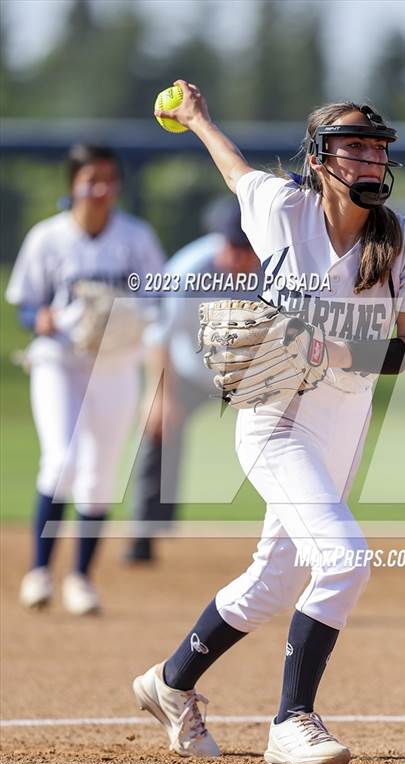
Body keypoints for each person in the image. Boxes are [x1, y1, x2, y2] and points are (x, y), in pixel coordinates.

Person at [133, 81, 405, 764]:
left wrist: (326, 346)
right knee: (346, 558)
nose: (366, 159)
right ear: (318, 157)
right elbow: (236, 169)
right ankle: (292, 720)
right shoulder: (281, 208)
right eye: (351, 146)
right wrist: (199, 118)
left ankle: (170, 682)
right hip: (271, 423)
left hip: (340, 430)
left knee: (271, 580)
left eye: (375, 147)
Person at [6, 143, 165, 615]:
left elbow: (159, 302)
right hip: (59, 360)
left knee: (99, 477)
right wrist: (41, 319)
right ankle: (38, 572)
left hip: (116, 361)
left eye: (109, 179)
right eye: (91, 179)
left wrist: (138, 323)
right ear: (72, 183)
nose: (101, 188)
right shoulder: (48, 237)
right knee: (62, 462)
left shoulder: (135, 236)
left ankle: (80, 580)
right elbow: (26, 305)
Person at [124, 201, 260, 563]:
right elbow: (159, 338)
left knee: (294, 439)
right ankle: (144, 535)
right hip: (192, 371)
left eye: (249, 248)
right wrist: (161, 398)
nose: (240, 256)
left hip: (254, 375)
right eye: (233, 245)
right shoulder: (190, 269)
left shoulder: (280, 271)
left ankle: (300, 536)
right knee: (159, 430)